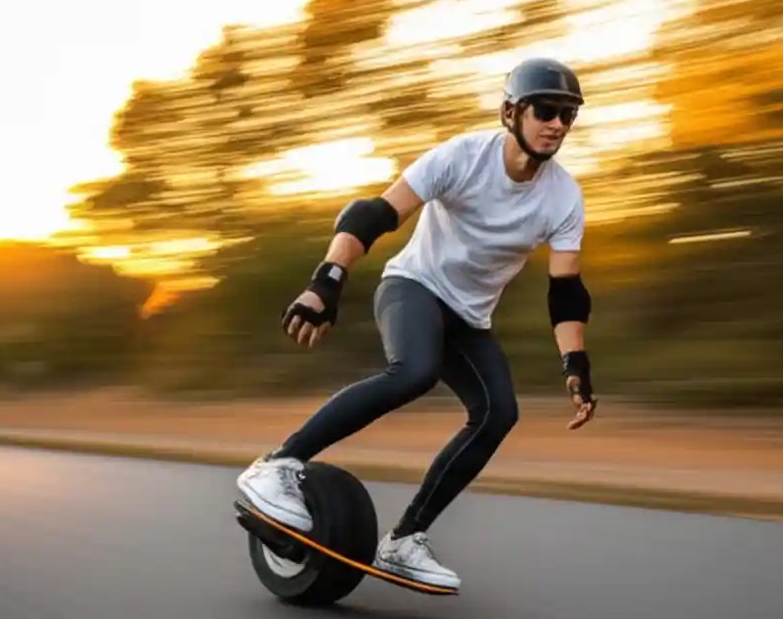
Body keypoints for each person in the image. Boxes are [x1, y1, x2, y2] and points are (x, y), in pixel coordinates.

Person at [236, 57, 597, 591]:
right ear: (510, 112)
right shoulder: (462, 157)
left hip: (469, 318)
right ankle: (278, 464)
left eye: (568, 115)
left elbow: (565, 292)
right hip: (413, 288)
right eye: (547, 110)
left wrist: (576, 362)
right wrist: (326, 281)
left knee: (499, 413)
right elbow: (374, 214)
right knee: (414, 371)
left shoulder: (564, 197)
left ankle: (405, 540)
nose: (558, 125)